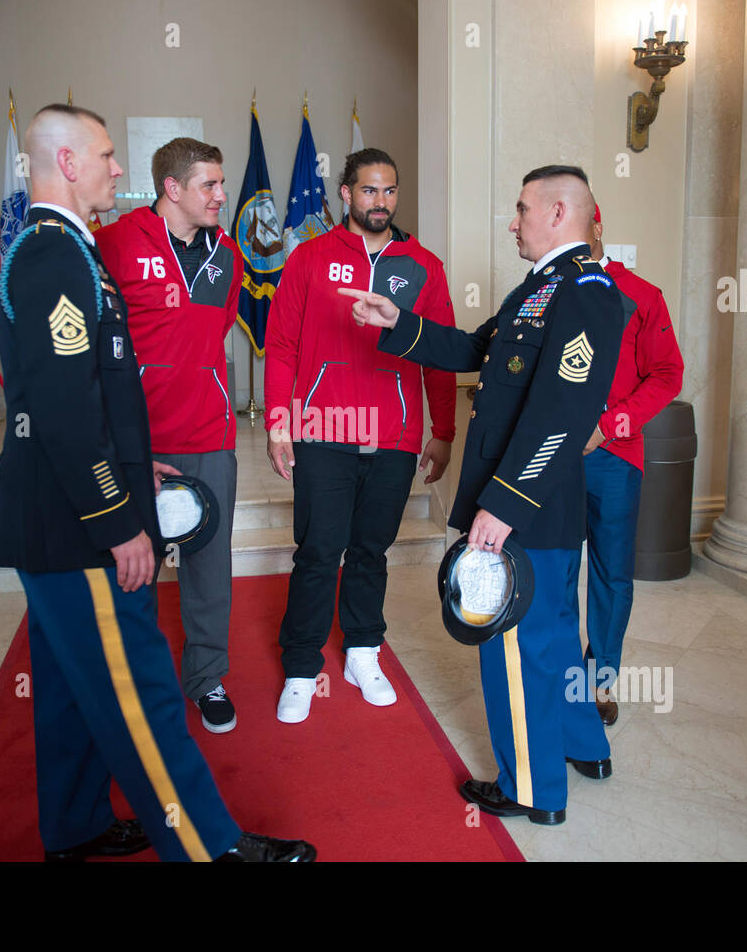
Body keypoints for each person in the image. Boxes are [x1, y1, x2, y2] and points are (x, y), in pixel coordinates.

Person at [0, 103, 313, 862]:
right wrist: (118, 515)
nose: (117, 169)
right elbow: (68, 415)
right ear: (67, 163)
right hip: (77, 525)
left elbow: (95, 396)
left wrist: (141, 467)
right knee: (142, 691)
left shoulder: (66, 250)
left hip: (58, 516)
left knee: (70, 690)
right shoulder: (56, 256)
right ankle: (209, 846)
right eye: (105, 155)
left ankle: (75, 829)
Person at [343, 165, 624, 824]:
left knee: (519, 648)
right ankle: (587, 745)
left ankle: (531, 787)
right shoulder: (540, 288)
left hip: (525, 505)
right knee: (554, 629)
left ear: (559, 212)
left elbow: (561, 413)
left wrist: (504, 506)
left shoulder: (584, 291)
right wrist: (400, 323)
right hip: (536, 507)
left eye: (522, 209)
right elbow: (475, 347)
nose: (512, 221)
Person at [263, 147, 457, 724]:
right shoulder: (309, 259)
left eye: (390, 191)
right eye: (370, 190)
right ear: (346, 193)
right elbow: (283, 346)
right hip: (323, 428)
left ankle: (362, 651)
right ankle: (301, 666)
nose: (381, 201)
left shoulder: (423, 265)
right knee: (320, 551)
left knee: (372, 550)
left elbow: (441, 355)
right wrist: (279, 420)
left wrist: (442, 431)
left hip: (394, 435)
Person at [95, 138, 243, 734]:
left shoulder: (228, 254)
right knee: (134, 563)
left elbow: (218, 328)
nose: (222, 195)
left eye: (221, 183)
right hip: (138, 438)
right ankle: (135, 679)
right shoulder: (116, 242)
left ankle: (207, 677)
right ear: (172, 188)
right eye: (209, 185)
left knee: (210, 564)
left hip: (210, 432)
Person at [579, 204, 683, 726]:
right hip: (552, 459)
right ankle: (549, 676)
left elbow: (667, 375)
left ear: (598, 226)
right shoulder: (547, 293)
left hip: (614, 459)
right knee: (549, 571)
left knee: (610, 574)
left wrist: (610, 425)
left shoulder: (643, 296)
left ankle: (595, 683)